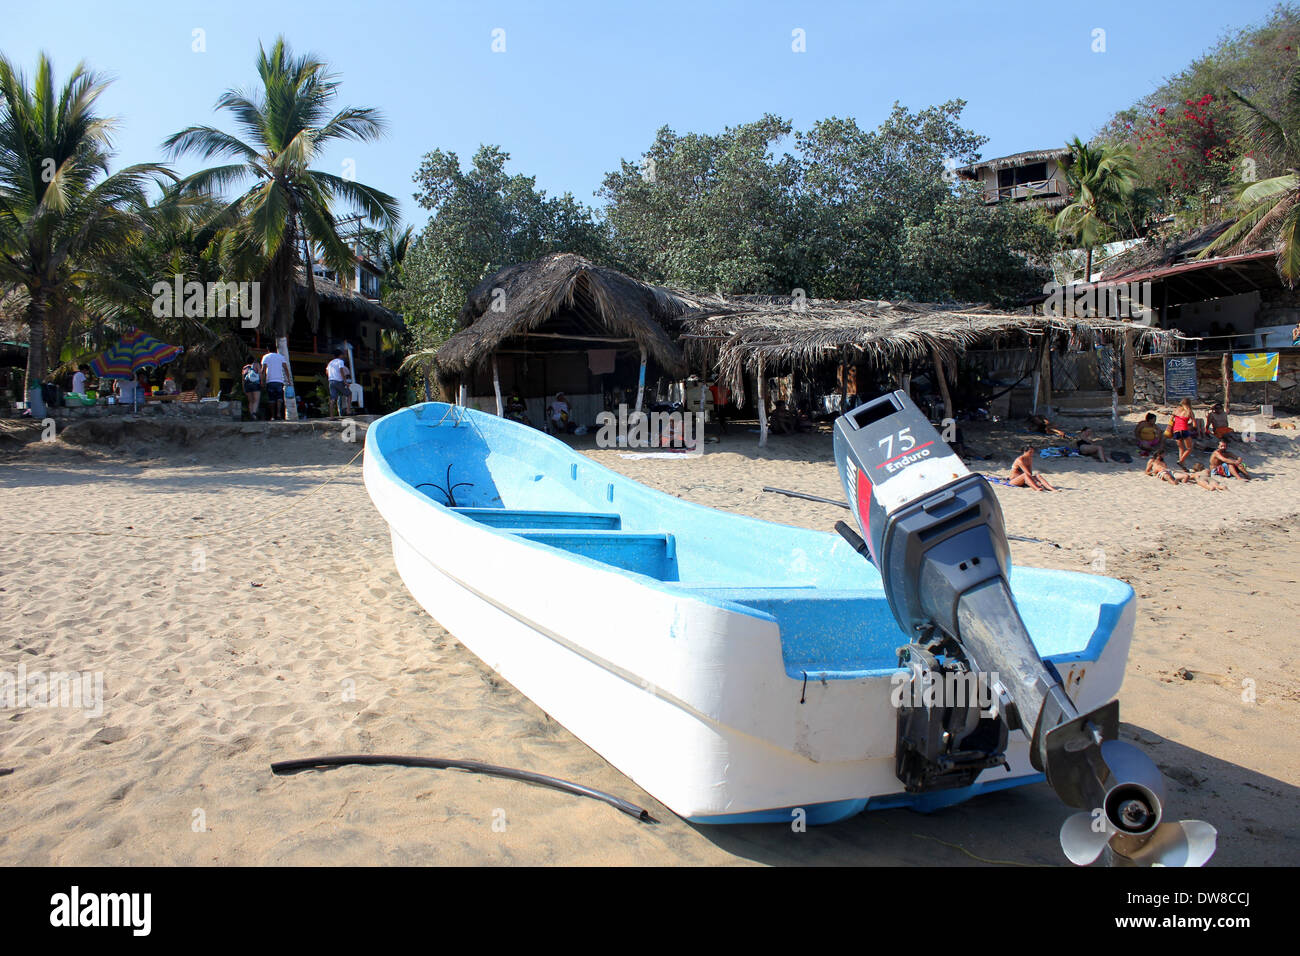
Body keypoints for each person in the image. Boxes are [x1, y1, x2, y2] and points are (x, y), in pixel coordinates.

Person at [261, 348, 290, 420]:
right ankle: (279, 413)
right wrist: (288, 379)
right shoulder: (281, 357)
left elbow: (263, 370)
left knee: (271, 399)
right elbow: (286, 368)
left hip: (270, 380)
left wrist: (262, 381)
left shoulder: (266, 357)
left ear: (268, 349)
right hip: (279, 380)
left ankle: (273, 416)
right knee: (279, 398)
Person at [1170, 398, 1196, 468]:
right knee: (1189, 448)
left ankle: (1182, 465)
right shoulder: (1189, 411)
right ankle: (1181, 461)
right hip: (1184, 429)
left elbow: (1171, 420)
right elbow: (1194, 424)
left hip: (1176, 430)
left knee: (1181, 448)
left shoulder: (1176, 410)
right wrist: (1190, 426)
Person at [325, 349, 351, 417]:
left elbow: (327, 372)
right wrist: (345, 382)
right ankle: (348, 410)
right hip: (338, 381)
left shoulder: (330, 362)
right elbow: (341, 371)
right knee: (349, 394)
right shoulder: (340, 361)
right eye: (342, 355)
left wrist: (332, 376)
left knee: (333, 399)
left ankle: (331, 417)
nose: (343, 356)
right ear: (340, 355)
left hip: (331, 381)